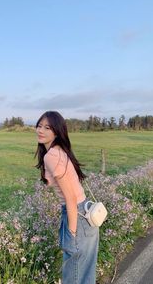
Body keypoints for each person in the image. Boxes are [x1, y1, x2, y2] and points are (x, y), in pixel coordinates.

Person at [35, 111, 99, 284]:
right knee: (85, 274)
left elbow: (70, 197)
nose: (41, 130)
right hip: (86, 212)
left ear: (56, 131)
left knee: (74, 276)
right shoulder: (59, 150)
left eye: (47, 127)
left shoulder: (52, 155)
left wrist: (71, 232)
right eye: (39, 126)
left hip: (76, 215)